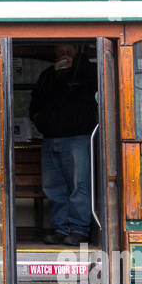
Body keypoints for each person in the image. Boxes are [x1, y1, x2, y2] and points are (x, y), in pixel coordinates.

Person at [29, 43, 97, 246]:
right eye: (60, 48)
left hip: (78, 137)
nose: (64, 51)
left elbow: (92, 95)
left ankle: (79, 229)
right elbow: (36, 103)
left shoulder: (89, 70)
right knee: (53, 187)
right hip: (50, 138)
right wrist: (40, 120)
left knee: (79, 186)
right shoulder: (48, 75)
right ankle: (61, 228)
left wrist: (69, 73)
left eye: (69, 47)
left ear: (77, 50)